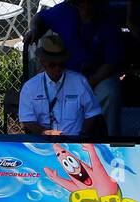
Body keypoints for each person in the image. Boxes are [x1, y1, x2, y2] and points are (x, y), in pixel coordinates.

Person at [30, 0, 123, 137]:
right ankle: (56, 139)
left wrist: (88, 83)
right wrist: (34, 29)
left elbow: (111, 62)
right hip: (65, 74)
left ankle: (112, 142)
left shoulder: (107, 17)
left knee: (111, 92)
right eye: (79, 3)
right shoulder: (65, 11)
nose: (83, 6)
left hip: (97, 76)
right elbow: (39, 18)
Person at [19, 34, 105, 138]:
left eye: (61, 65)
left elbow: (91, 113)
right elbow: (27, 119)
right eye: (52, 65)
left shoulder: (79, 81)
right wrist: (44, 132)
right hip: (44, 141)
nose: (57, 69)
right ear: (43, 62)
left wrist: (81, 135)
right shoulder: (30, 87)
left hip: (74, 140)